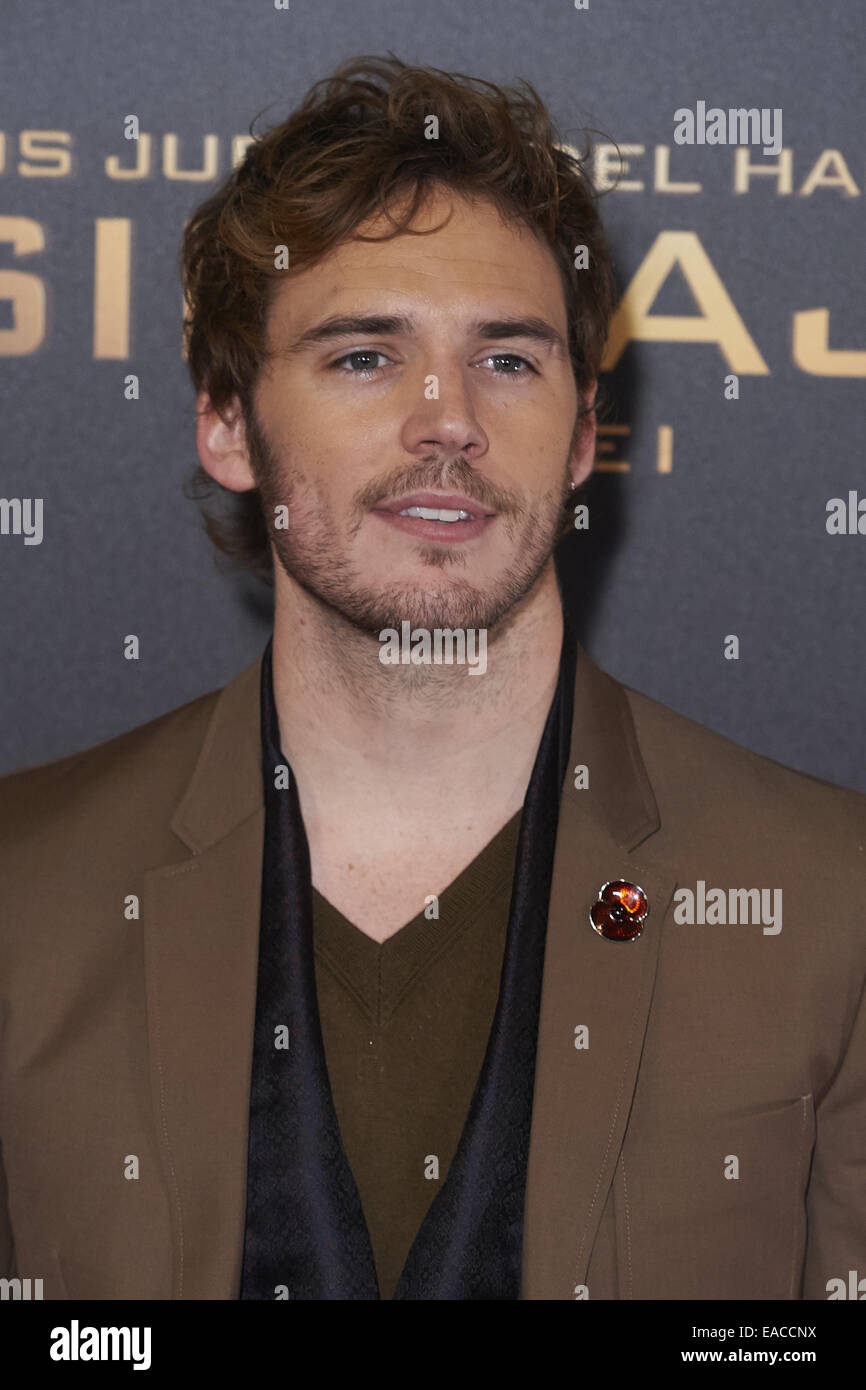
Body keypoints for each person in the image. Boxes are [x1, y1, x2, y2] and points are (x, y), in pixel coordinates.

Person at [0, 55, 863, 1302]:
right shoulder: (24, 896)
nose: (444, 418)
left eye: (506, 360)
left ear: (580, 436)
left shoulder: (825, 904)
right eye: (362, 356)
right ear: (229, 423)